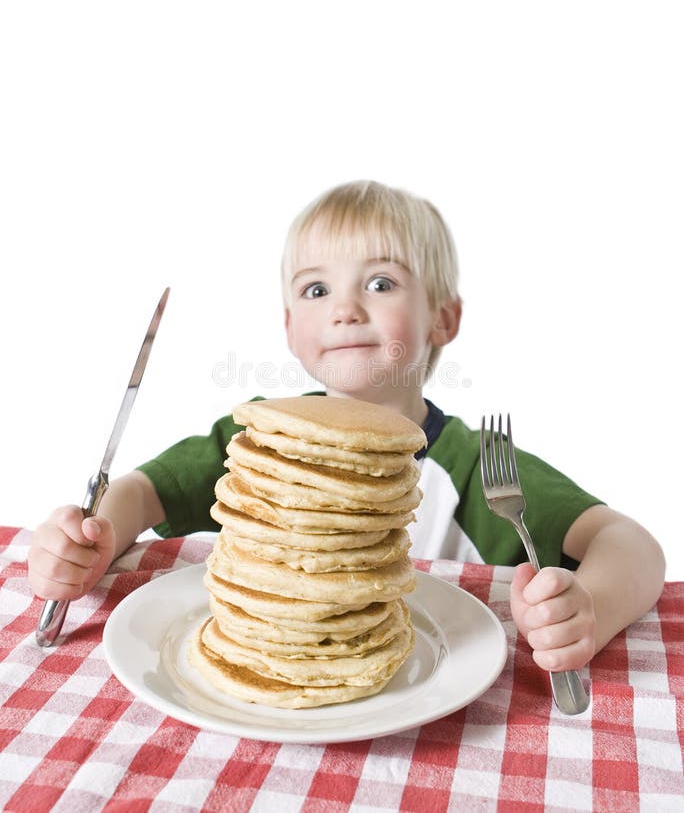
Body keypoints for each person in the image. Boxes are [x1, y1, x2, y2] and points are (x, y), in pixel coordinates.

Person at [28, 180, 665, 674]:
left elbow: (630, 544)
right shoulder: (256, 443)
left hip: (431, 700)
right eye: (315, 291)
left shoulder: (478, 467)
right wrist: (92, 540)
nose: (345, 309)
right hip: (263, 692)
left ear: (442, 319)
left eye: (381, 282)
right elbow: (143, 492)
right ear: (288, 329)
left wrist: (589, 610)